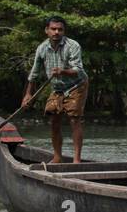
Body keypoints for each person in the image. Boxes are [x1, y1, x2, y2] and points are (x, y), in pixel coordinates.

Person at [22, 15, 88, 163]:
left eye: (60, 29)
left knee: (74, 119)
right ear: (47, 30)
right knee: (54, 120)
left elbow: (77, 69)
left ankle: (76, 161)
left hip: (77, 85)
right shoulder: (42, 48)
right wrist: (28, 95)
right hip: (57, 87)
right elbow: (34, 74)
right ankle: (57, 157)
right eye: (53, 29)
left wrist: (62, 71)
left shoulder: (73, 46)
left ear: (64, 31)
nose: (56, 32)